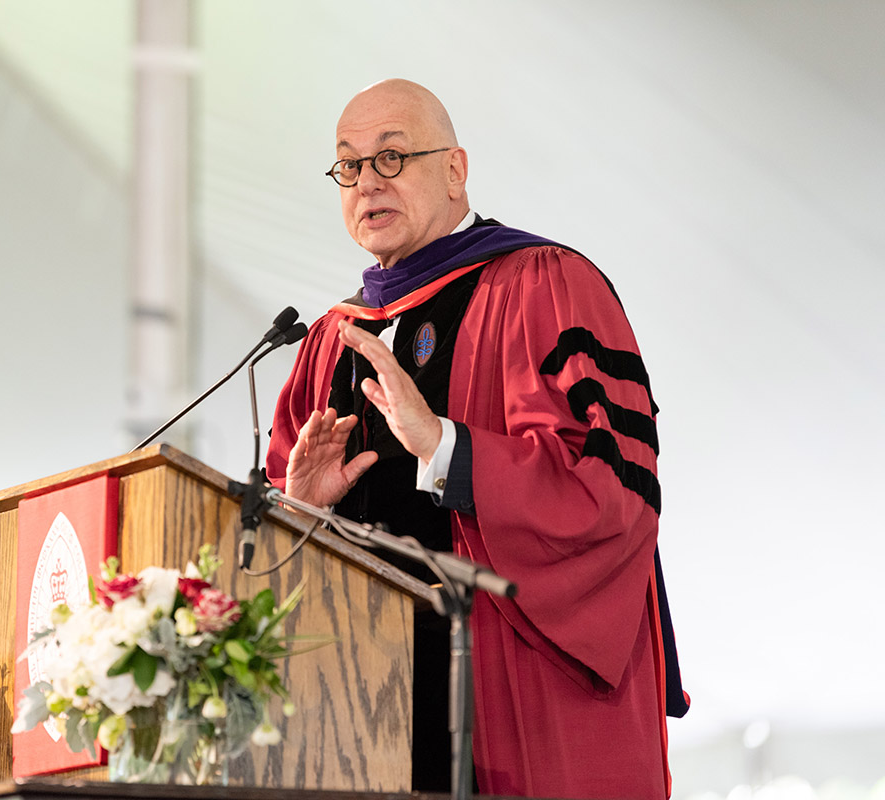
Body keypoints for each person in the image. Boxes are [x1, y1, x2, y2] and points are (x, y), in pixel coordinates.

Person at [265, 79, 688, 799]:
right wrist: (300, 510)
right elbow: (270, 550)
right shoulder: (330, 341)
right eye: (349, 165)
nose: (368, 181)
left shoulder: (546, 285)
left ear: (456, 170)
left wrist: (446, 451)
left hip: (513, 693)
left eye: (392, 157)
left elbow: (615, 495)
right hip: (362, 716)